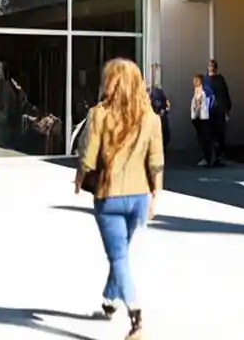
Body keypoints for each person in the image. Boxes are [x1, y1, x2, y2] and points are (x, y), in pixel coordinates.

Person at [75, 58, 164, 340]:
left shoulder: (99, 114)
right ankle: (109, 299)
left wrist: (79, 180)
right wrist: (155, 196)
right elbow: (156, 161)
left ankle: (136, 316)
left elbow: (88, 156)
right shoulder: (150, 118)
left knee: (118, 255)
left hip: (109, 195)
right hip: (139, 196)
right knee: (122, 252)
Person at [205, 59, 232, 166]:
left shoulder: (220, 80)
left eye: (213, 66)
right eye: (210, 66)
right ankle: (209, 157)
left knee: (219, 134)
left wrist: (226, 111)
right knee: (208, 135)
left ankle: (218, 157)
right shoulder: (206, 80)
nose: (211, 68)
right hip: (208, 111)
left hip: (219, 111)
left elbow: (225, 96)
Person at [189, 74, 212, 166]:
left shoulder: (202, 91)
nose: (194, 83)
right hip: (199, 118)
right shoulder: (197, 91)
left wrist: (196, 113)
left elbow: (199, 104)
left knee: (204, 139)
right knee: (201, 139)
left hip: (202, 118)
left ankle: (207, 159)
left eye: (195, 81)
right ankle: (207, 158)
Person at [147, 64, 170, 148]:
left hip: (160, 118)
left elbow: (166, 105)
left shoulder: (159, 93)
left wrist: (164, 111)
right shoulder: (151, 95)